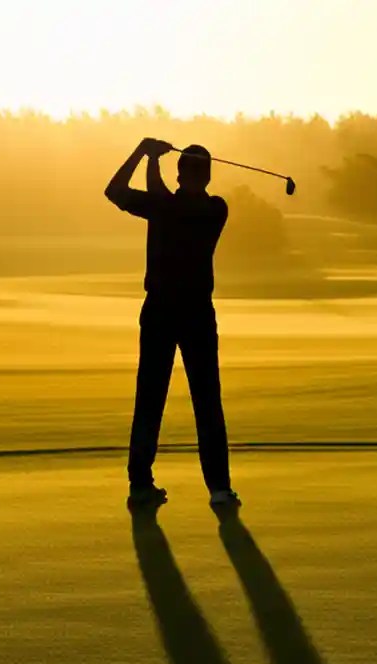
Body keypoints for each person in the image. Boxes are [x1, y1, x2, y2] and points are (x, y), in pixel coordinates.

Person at [105, 138, 241, 510]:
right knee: (204, 401)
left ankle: (141, 485)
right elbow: (151, 196)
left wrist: (144, 153)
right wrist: (150, 160)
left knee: (152, 398)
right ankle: (218, 489)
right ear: (203, 175)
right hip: (192, 312)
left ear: (182, 173)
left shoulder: (188, 208)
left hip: (165, 310)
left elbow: (116, 190)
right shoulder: (214, 208)